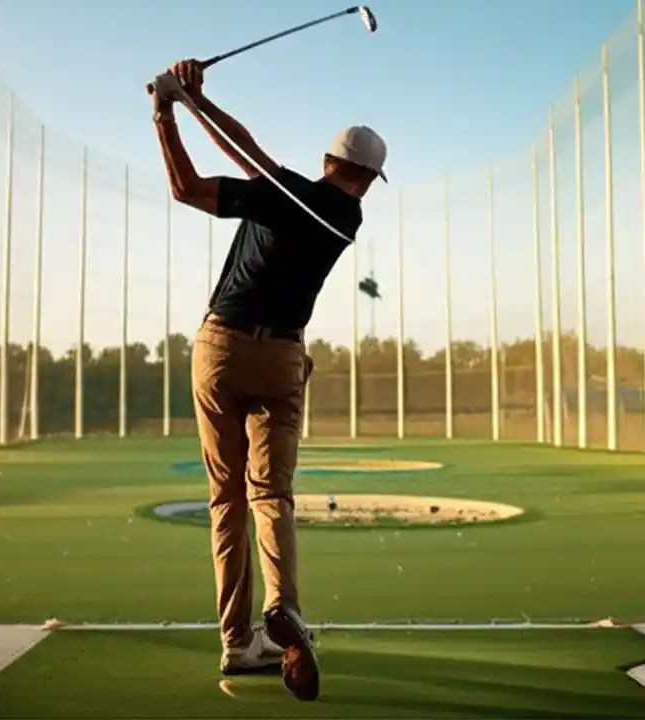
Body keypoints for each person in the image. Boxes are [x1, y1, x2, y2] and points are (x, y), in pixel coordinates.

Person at [149, 60, 386, 702]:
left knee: (225, 498)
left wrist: (173, 107)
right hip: (283, 358)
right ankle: (283, 607)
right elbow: (219, 173)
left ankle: (237, 640)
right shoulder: (342, 217)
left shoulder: (294, 194)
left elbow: (194, 179)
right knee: (271, 494)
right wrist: (186, 102)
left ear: (328, 161)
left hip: (221, 348)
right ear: (367, 180)